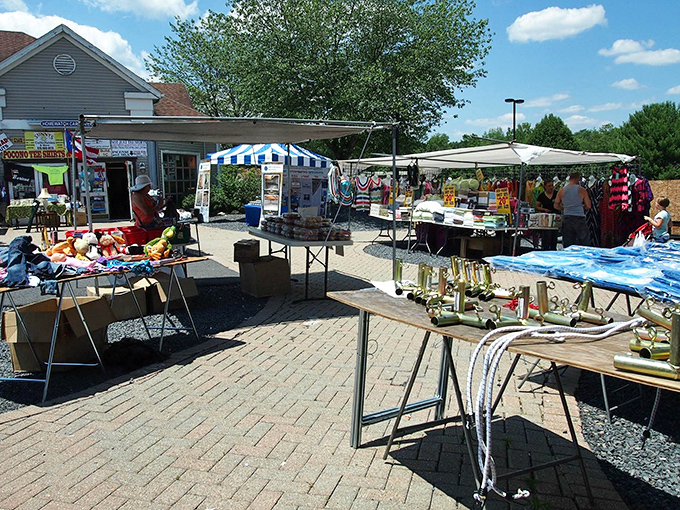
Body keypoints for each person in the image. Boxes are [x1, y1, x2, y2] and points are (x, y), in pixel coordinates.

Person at [554, 172, 592, 248]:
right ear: (578, 179)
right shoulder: (582, 190)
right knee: (584, 242)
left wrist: (564, 208)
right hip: (579, 217)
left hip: (567, 217)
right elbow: (588, 205)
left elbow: (556, 205)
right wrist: (582, 207)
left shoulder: (562, 190)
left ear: (570, 179)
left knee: (568, 243)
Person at [535, 180, 559, 250]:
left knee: (554, 236)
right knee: (546, 236)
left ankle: (553, 249)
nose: (551, 187)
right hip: (546, 218)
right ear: (545, 187)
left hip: (555, 217)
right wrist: (544, 209)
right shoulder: (542, 195)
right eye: (549, 186)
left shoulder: (557, 194)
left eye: (552, 185)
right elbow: (537, 206)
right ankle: (545, 249)